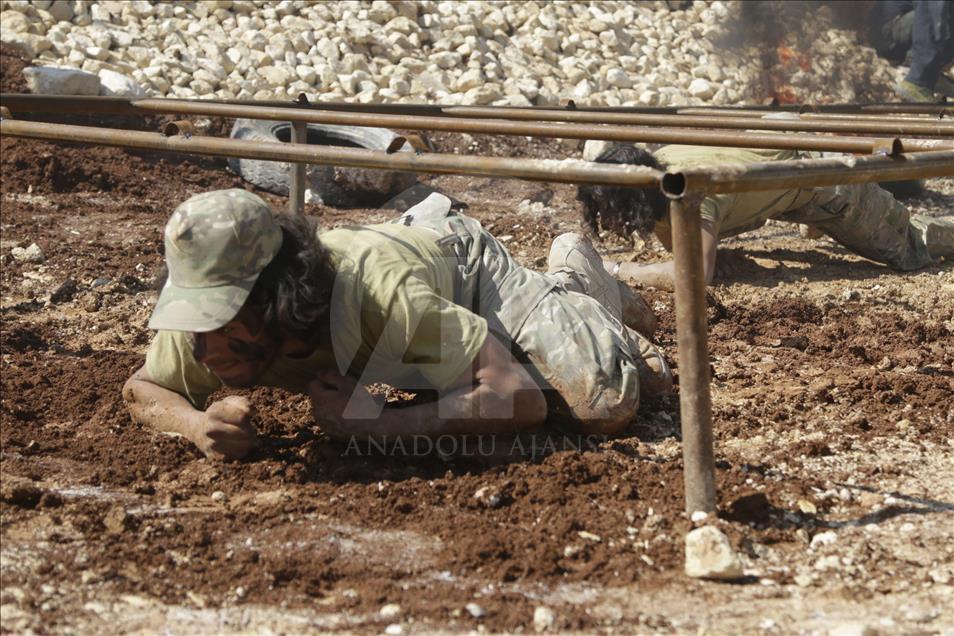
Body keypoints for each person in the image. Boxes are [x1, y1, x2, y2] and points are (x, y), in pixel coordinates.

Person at [123, 189, 671, 461]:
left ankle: (576, 280)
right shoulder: (200, 319)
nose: (206, 346)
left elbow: (515, 398)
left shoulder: (379, 295)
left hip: (467, 273)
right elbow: (142, 388)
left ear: (277, 298)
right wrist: (195, 426)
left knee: (605, 401)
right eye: (198, 316)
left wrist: (377, 424)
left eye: (221, 318)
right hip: (418, 324)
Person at [577, 143, 954, 290]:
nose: (607, 222)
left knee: (911, 244)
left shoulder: (690, 197)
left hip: (825, 184)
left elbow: (690, 276)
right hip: (782, 168)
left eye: (610, 213)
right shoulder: (662, 165)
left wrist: (616, 269)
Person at [866, 0, 954, 102]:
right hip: (889, 30)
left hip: (910, 25)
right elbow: (934, 12)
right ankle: (918, 80)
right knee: (942, 10)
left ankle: (931, 74)